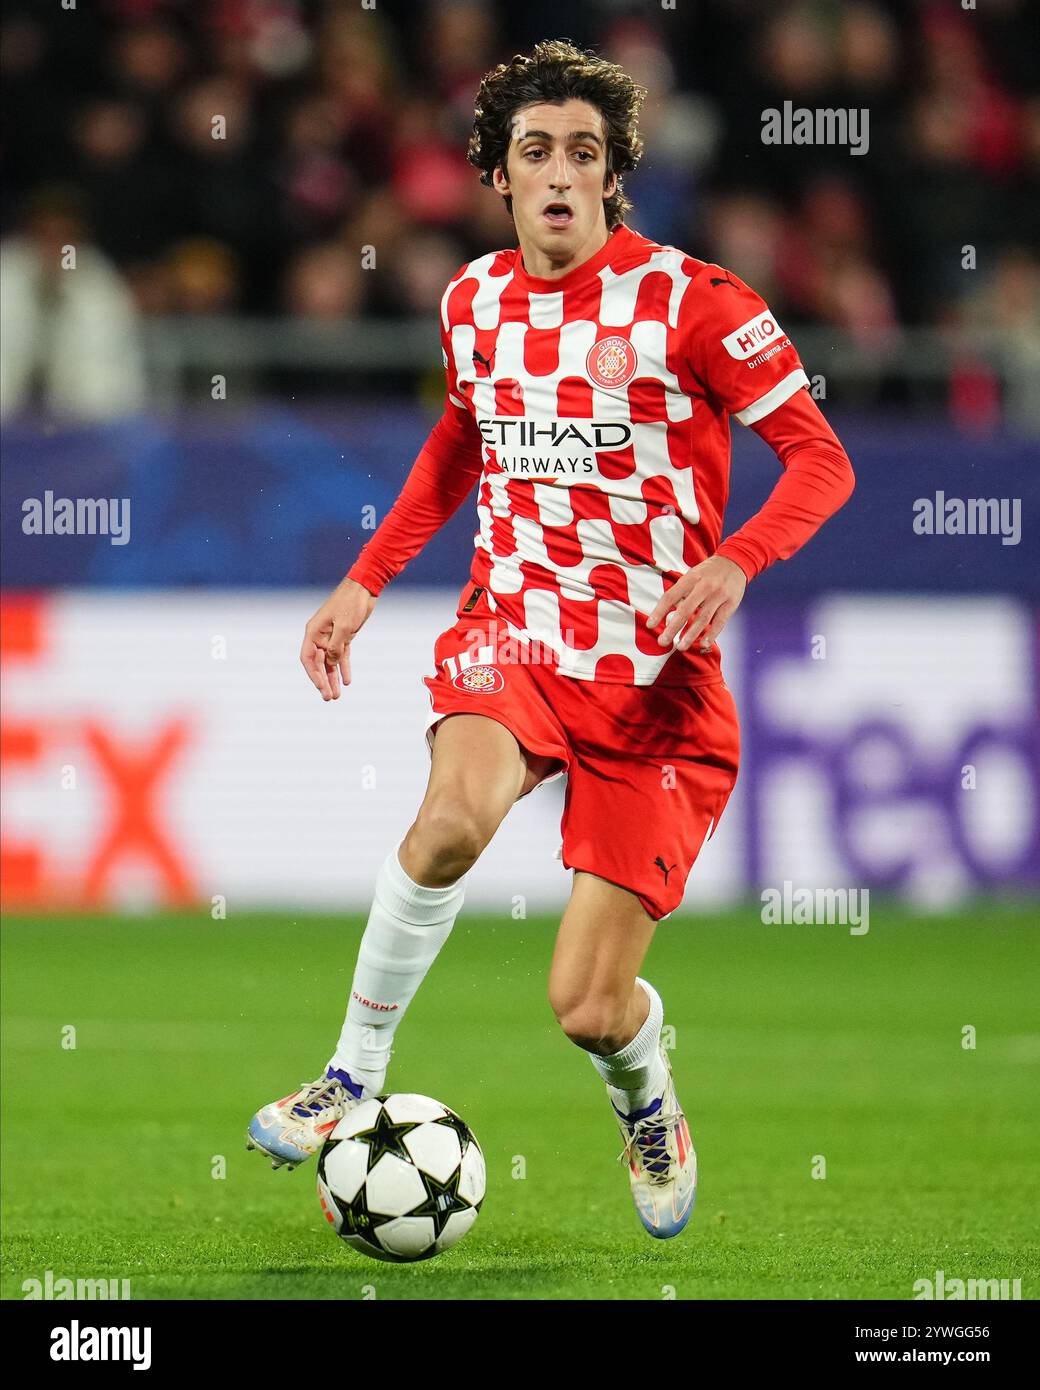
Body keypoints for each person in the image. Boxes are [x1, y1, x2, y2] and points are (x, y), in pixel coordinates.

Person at [248, 39, 855, 1242]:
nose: (561, 171)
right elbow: (459, 444)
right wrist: (365, 581)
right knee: (448, 822)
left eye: (585, 151)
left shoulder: (696, 302)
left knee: (584, 1005)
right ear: (499, 173)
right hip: (515, 635)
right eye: (536, 151)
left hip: (655, 686)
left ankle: (646, 1095)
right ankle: (351, 1072)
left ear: (615, 173)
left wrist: (735, 559)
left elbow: (818, 461)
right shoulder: (470, 302)